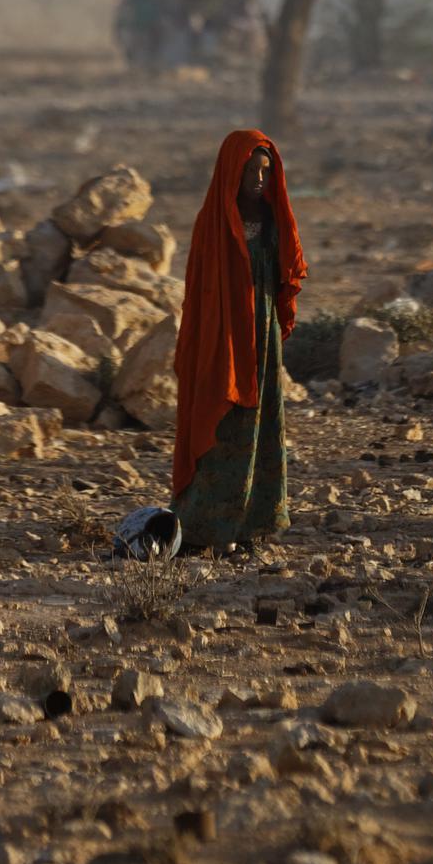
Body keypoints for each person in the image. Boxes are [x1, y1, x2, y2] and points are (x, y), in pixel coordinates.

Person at [170, 129, 307, 554]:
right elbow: (200, 292)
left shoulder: (273, 221)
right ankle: (202, 528)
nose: (259, 179)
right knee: (222, 421)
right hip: (223, 336)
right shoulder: (212, 222)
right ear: (232, 171)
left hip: (261, 334)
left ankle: (253, 525)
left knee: (263, 424)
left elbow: (286, 274)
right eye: (251, 170)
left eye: (266, 171)